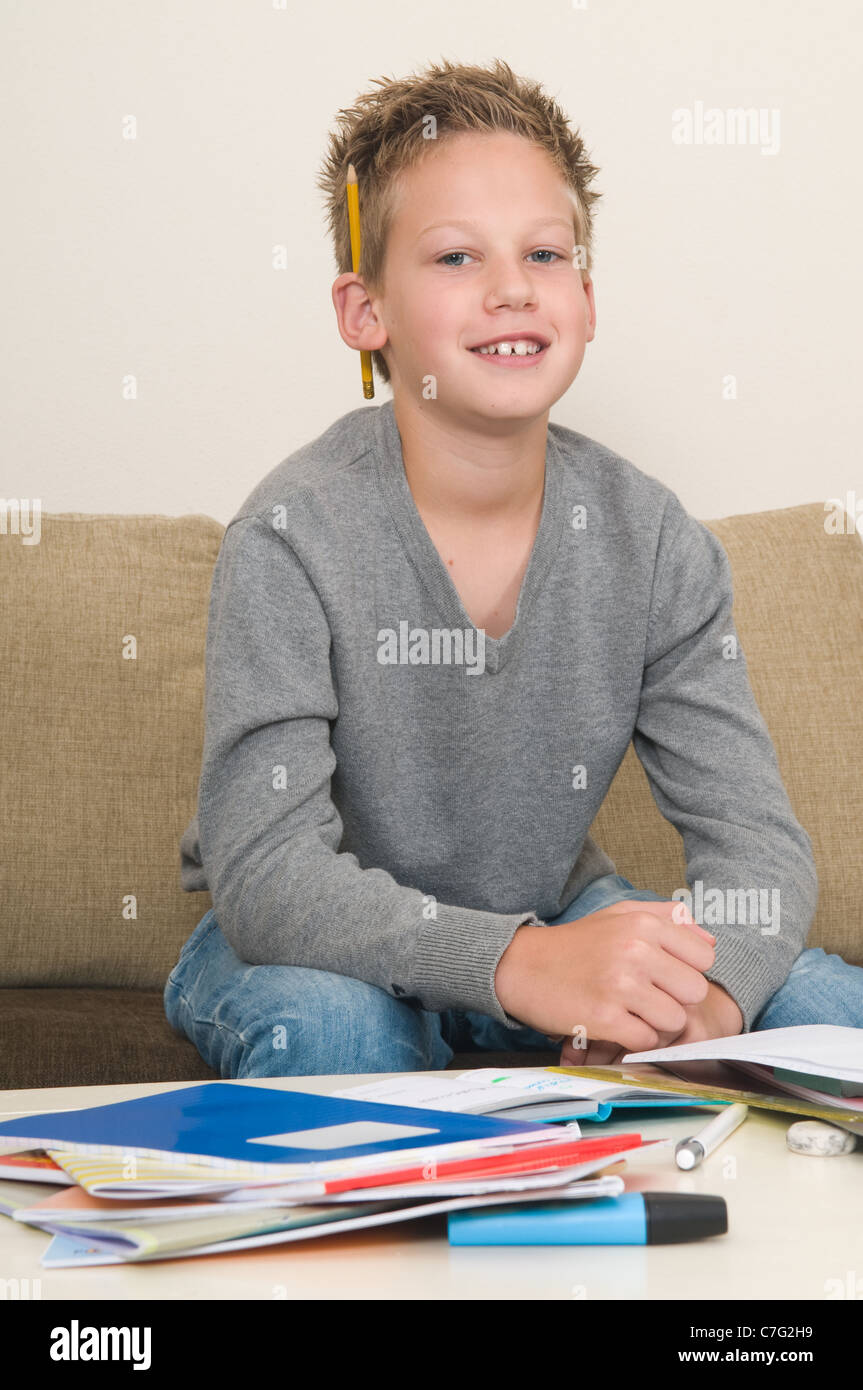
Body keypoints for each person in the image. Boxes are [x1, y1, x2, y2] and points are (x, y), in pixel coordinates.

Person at [165, 58, 862, 1079]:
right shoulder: (289, 535)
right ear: (365, 312)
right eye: (454, 257)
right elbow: (268, 875)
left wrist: (709, 1004)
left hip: (550, 916)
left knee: (819, 999)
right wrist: (516, 963)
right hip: (319, 949)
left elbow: (753, 842)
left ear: (583, 296)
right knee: (333, 1031)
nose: (508, 288)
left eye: (543, 252)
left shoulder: (655, 542)